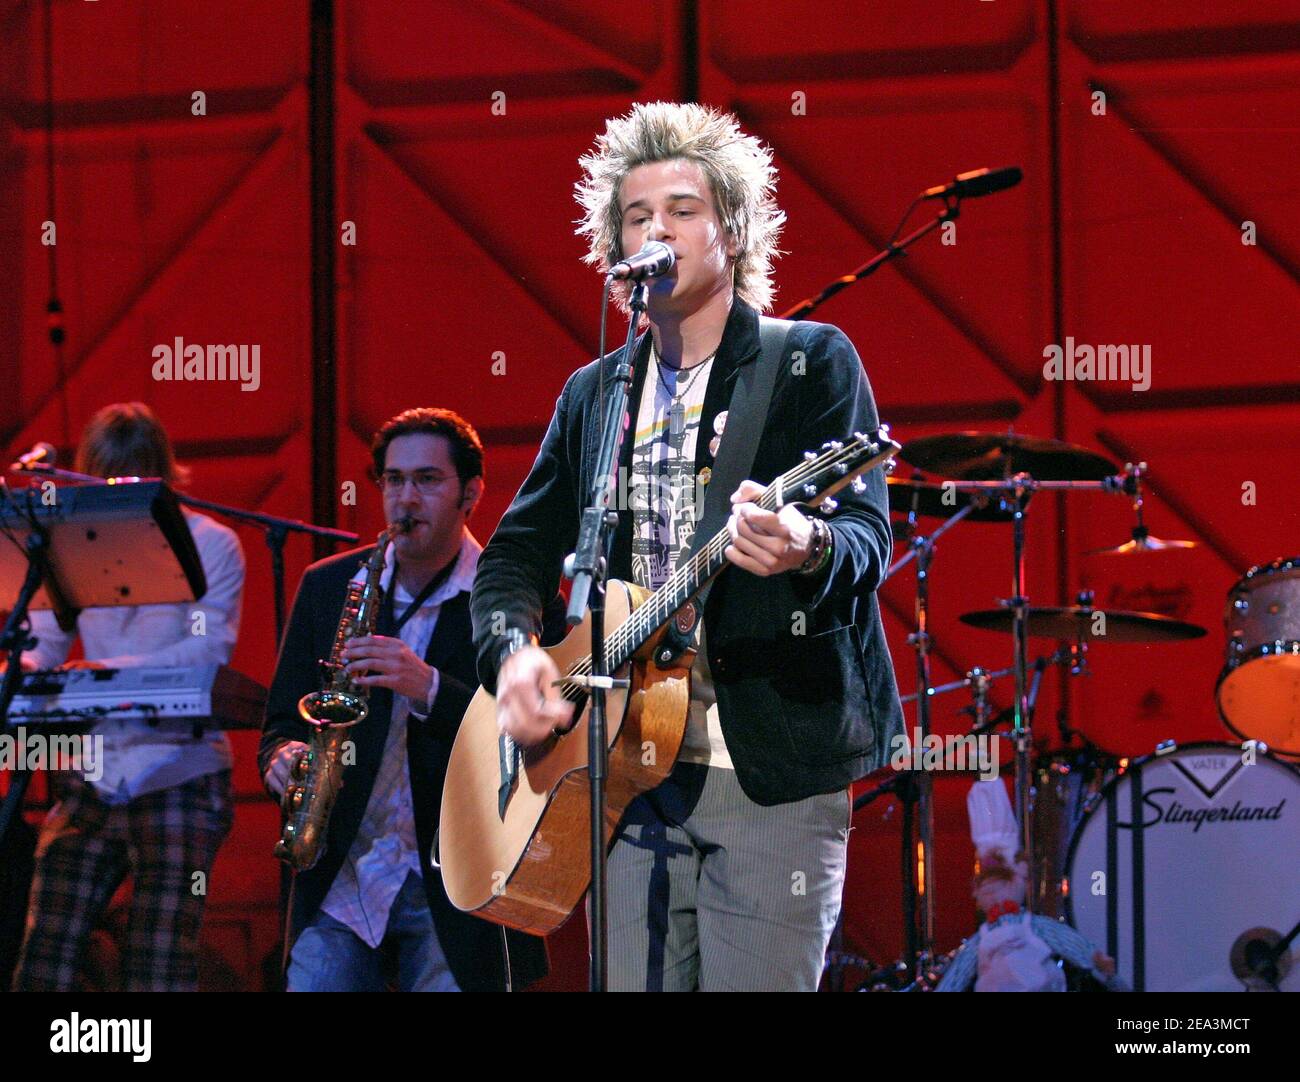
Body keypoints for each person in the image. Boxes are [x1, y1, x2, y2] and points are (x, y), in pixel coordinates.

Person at [470, 101, 904, 991]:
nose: (656, 230)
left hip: (768, 765)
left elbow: (866, 541)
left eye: (681, 210)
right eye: (636, 216)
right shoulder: (598, 393)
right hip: (622, 775)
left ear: (733, 232)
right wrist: (514, 655)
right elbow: (514, 556)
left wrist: (805, 542)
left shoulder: (808, 362)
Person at [260, 408, 547, 991]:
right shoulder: (329, 586)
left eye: (426, 480)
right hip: (342, 877)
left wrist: (432, 690)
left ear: (471, 493)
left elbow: (540, 740)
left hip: (460, 887)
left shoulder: (517, 594)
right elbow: (278, 722)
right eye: (392, 480)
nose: (404, 499)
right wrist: (283, 758)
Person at [12, 402, 245, 991]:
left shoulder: (211, 543)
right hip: (95, 771)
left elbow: (203, 651)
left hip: (179, 773)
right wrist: (24, 668)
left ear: (158, 478)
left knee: (157, 964)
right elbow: (45, 640)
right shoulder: (69, 543)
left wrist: (100, 672)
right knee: (45, 957)